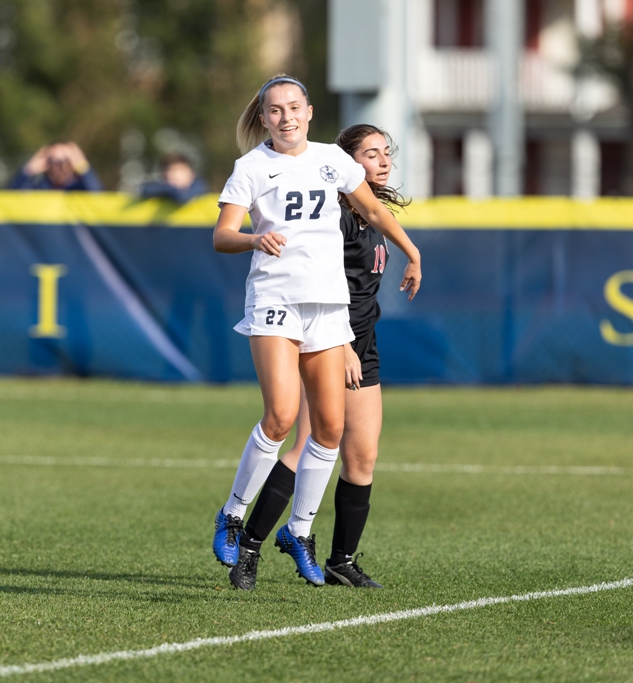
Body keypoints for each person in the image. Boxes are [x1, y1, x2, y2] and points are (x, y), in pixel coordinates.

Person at [211, 75, 421, 588]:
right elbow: (222, 236)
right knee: (282, 417)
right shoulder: (251, 166)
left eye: (294, 107)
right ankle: (233, 514)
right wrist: (253, 239)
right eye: (275, 110)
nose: (286, 117)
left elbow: (372, 208)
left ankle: (299, 532)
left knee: (328, 429)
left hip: (328, 309)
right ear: (264, 118)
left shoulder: (332, 159)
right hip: (275, 300)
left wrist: (412, 251)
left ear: (308, 112)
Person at [9, 141, 103, 191]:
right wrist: (28, 170)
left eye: (66, 160)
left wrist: (83, 167)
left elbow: (98, 197)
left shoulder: (80, 188)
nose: (61, 166)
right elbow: (10, 200)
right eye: (55, 161)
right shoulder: (40, 189)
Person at [139, 153, 208, 204]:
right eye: (171, 171)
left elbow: (183, 198)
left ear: (192, 174)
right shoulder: (158, 188)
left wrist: (172, 191)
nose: (176, 176)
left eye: (181, 171)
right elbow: (145, 190)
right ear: (164, 176)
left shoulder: (199, 186)